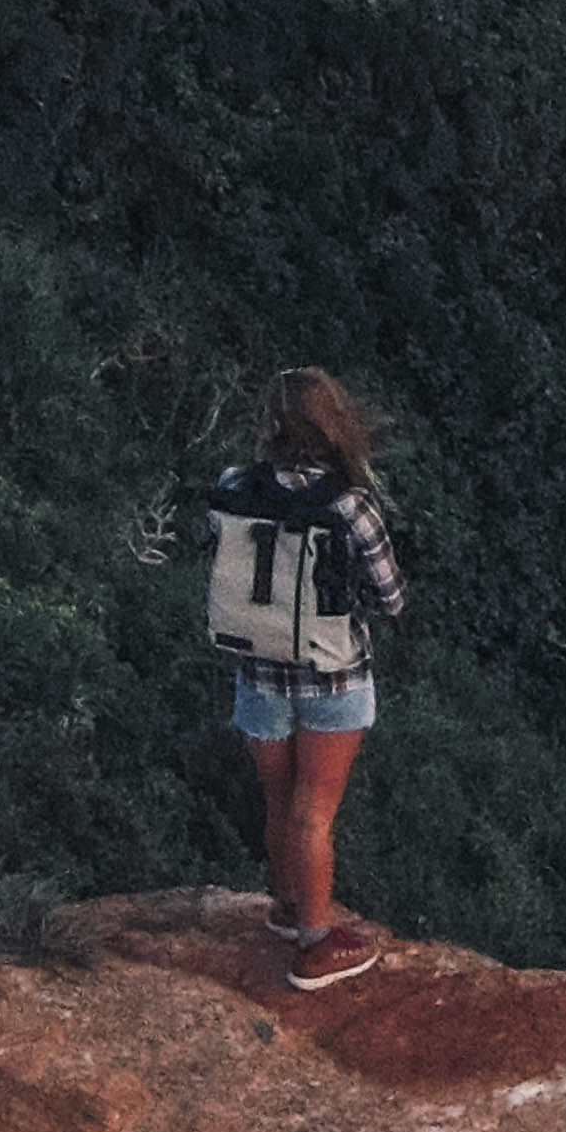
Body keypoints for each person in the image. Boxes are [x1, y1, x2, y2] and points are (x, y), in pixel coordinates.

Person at [186, 369, 411, 987]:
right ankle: (317, 940)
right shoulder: (348, 504)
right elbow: (390, 597)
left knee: (281, 798)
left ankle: (288, 906)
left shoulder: (233, 486)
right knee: (315, 810)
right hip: (332, 675)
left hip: (256, 670)